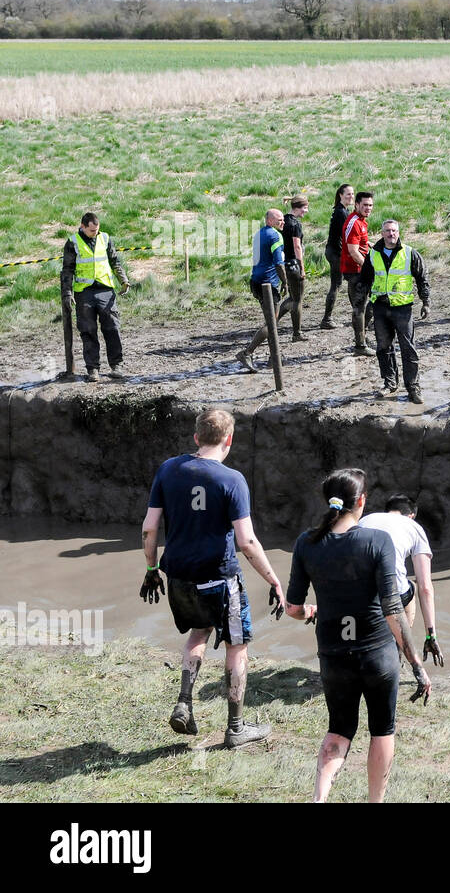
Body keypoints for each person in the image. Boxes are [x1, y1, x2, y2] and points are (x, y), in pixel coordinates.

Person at [140, 408, 285, 747]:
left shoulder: (168, 469)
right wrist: (274, 581)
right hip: (220, 580)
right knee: (237, 646)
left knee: (198, 632)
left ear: (196, 438)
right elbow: (246, 542)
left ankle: (184, 703)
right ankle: (235, 728)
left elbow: (149, 528)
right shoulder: (232, 479)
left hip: (177, 576)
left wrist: (150, 570)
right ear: (228, 440)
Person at [285, 469, 432, 803]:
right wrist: (416, 664)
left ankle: (318, 799)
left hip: (334, 654)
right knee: (382, 730)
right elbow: (393, 609)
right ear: (361, 501)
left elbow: (292, 607)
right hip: (377, 654)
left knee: (338, 729)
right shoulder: (376, 541)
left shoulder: (307, 543)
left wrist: (310, 612)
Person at [358, 494, 444, 668]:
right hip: (390, 596)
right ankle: (400, 645)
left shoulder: (364, 520)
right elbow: (425, 586)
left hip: (354, 591)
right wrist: (430, 635)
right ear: (411, 515)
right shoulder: (413, 526)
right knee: (410, 586)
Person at [361, 219, 431, 404]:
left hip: (403, 309)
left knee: (408, 349)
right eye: (387, 231)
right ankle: (390, 383)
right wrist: (363, 307)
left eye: (394, 231)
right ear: (382, 233)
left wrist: (426, 302)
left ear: (398, 233)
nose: (391, 234)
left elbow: (422, 278)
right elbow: (364, 280)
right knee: (383, 347)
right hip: (380, 308)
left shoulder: (409, 253)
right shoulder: (373, 254)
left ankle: (413, 387)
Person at [60, 211, 131, 382]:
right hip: (84, 292)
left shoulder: (105, 238)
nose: (95, 233)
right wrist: (67, 293)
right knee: (88, 331)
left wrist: (124, 280)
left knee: (112, 328)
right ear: (83, 227)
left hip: (106, 289)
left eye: (97, 229)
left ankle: (116, 365)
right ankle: (93, 369)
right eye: (92, 230)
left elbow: (114, 261)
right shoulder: (72, 242)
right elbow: (67, 270)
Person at [235, 209, 291, 373]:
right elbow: (279, 263)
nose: (283, 222)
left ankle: (274, 358)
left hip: (256, 281)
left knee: (271, 321)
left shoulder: (260, 233)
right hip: (268, 284)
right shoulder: (275, 236)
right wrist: (285, 282)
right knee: (272, 323)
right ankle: (247, 352)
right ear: (271, 221)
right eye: (280, 220)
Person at [342, 191, 377, 356]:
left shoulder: (362, 222)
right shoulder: (354, 222)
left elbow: (359, 244)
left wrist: (368, 243)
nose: (368, 208)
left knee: (371, 303)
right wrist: (368, 268)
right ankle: (360, 345)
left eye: (370, 205)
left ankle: (362, 337)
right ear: (356, 205)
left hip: (361, 270)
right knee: (359, 308)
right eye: (365, 205)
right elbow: (353, 252)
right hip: (356, 272)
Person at [320, 184, 353, 330]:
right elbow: (345, 236)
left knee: (340, 284)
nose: (351, 196)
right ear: (340, 195)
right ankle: (327, 319)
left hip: (333, 251)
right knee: (338, 284)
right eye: (348, 194)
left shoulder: (342, 211)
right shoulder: (341, 213)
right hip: (336, 253)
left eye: (352, 194)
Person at [281, 195, 309, 342]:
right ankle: (297, 333)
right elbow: (297, 246)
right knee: (297, 299)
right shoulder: (295, 224)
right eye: (305, 208)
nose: (306, 211)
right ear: (297, 208)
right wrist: (302, 267)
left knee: (292, 297)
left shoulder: (284, 219)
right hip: (294, 264)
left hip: (285, 263)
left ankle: (272, 321)